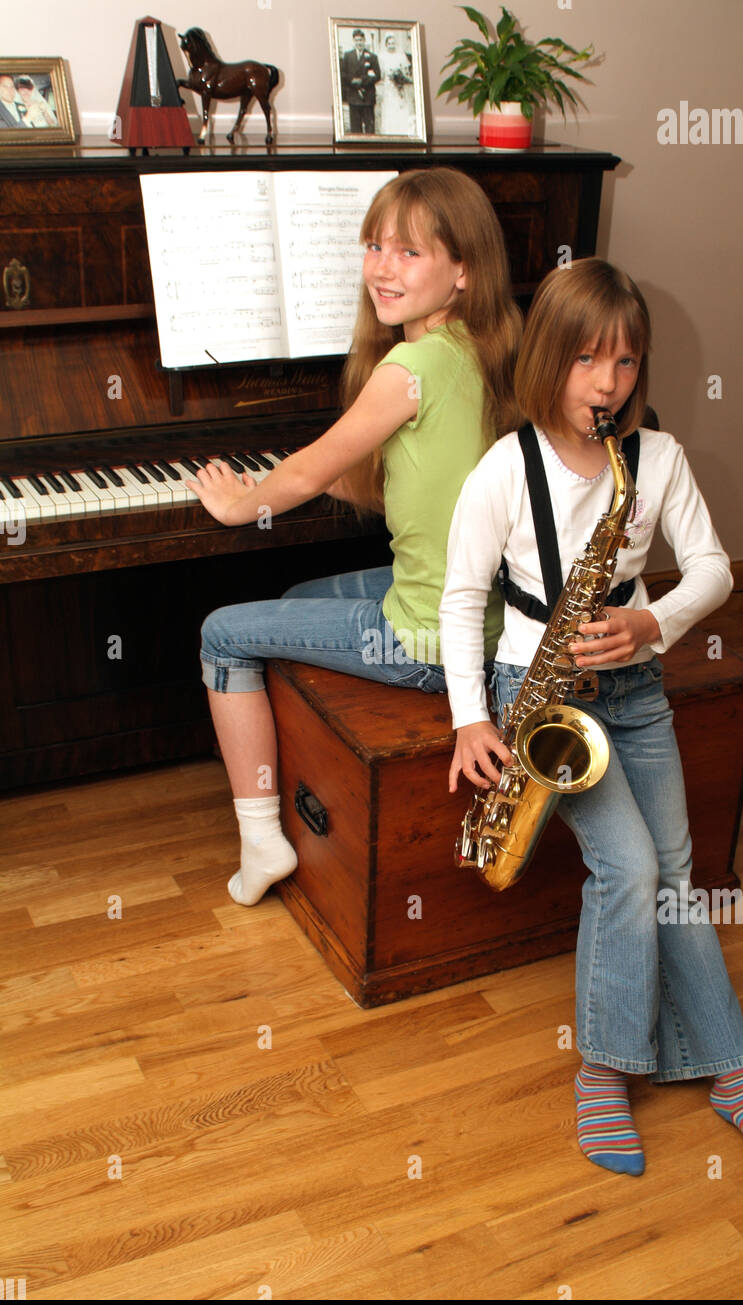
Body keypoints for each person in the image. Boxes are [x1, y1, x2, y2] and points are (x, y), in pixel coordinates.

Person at [439, 257, 743, 1185]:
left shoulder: (659, 457)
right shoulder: (502, 469)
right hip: (542, 693)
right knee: (632, 866)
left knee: (677, 871)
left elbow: (716, 567)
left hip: (634, 692)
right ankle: (604, 1068)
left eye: (627, 364)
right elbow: (460, 599)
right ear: (547, 359)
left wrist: (654, 622)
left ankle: (730, 1068)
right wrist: (468, 721)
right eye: (586, 361)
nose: (606, 385)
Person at [190, 167, 522, 908]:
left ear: (462, 270)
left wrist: (242, 504)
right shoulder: (480, 346)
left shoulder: (407, 367)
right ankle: (305, 782)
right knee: (299, 599)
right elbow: (387, 478)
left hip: (426, 643)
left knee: (223, 633)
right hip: (482, 622)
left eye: (408, 252)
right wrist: (287, 471)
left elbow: (311, 474)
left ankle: (262, 839)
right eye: (375, 245)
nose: (382, 266)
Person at [339, 29, 381, 135]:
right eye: (357, 40)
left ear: (364, 40)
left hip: (367, 97)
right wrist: (353, 82)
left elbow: (377, 75)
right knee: (355, 128)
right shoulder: (348, 56)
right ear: (353, 41)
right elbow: (343, 74)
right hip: (353, 96)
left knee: (369, 128)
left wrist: (361, 82)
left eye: (361, 40)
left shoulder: (372, 57)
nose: (359, 43)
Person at [377, 34, 414, 137]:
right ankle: (390, 131)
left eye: (393, 43)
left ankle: (402, 130)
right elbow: (382, 74)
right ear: (386, 45)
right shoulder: (382, 56)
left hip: (399, 87)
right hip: (388, 87)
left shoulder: (400, 56)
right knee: (390, 107)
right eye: (389, 43)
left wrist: (400, 78)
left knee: (400, 106)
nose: (391, 45)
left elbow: (405, 71)